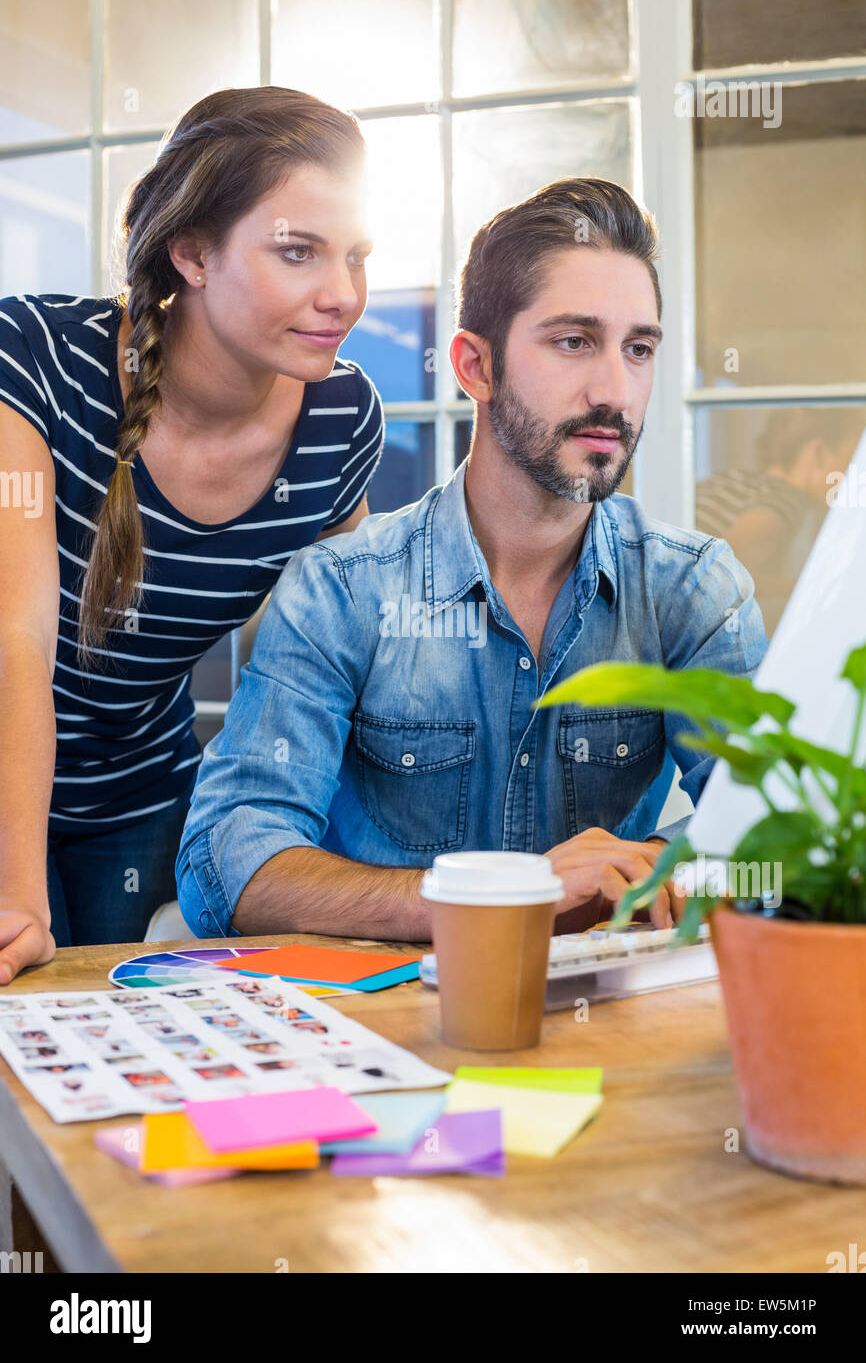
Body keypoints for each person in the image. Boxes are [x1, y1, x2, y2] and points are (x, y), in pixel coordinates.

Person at [176, 177, 769, 943]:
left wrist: (661, 862)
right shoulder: (343, 592)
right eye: (573, 341)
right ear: (475, 367)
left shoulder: (692, 590)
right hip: (390, 1036)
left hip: (613, 1030)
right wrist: (506, 894)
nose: (616, 391)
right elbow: (224, 867)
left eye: (639, 349)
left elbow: (781, 845)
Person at [0, 85, 385, 983]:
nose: (343, 296)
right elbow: (15, 643)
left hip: (143, 796)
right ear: (192, 252)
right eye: (298, 252)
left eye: (356, 256)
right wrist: (17, 897)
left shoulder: (341, 417)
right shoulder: (31, 359)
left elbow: (330, 663)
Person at [694, 410, 862, 634]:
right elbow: (720, 574)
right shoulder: (784, 503)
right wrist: (812, 588)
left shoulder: (736, 480)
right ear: (819, 452)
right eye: (854, 459)